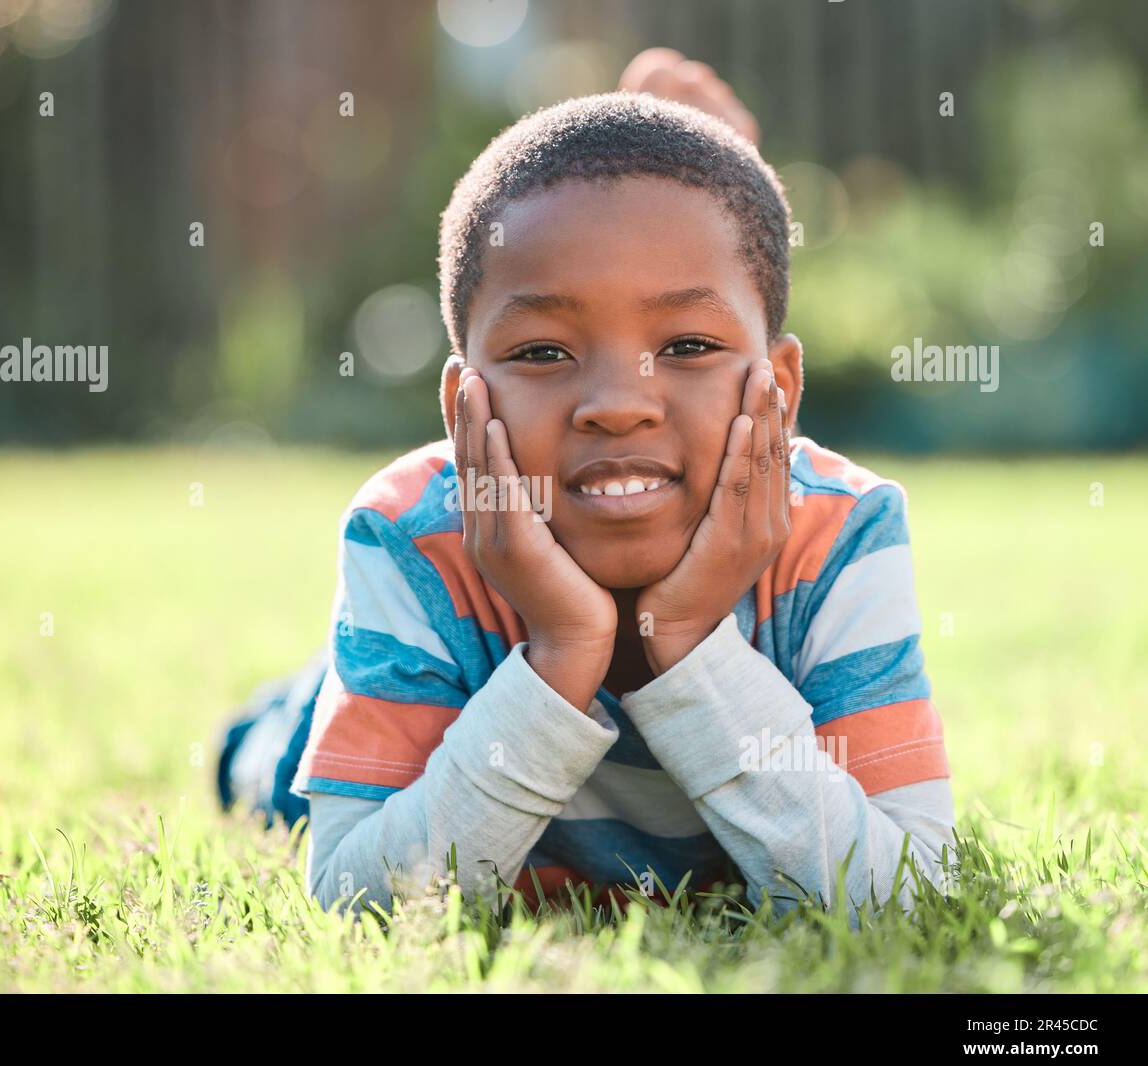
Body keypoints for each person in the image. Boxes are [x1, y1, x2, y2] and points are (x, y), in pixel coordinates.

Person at [217, 52, 955, 924]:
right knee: (273, 760)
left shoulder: (841, 535)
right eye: (542, 352)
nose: (617, 405)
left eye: (687, 345)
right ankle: (306, 694)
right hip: (410, 692)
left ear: (780, 390)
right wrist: (561, 655)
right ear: (462, 403)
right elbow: (357, 899)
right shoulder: (409, 537)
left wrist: (682, 640)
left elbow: (906, 895)